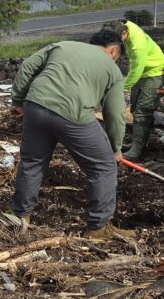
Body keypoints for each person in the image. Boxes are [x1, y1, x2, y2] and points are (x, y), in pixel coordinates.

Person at [7, 30, 134, 240]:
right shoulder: (113, 69)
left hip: (36, 105)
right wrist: (115, 149)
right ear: (114, 51)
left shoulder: (63, 45)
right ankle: (98, 228)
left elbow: (27, 66)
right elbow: (115, 114)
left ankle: (20, 217)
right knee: (103, 167)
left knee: (32, 162)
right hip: (74, 114)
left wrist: (18, 101)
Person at [107, 20, 164, 161]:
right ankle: (137, 142)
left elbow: (136, 70)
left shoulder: (137, 45)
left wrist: (123, 88)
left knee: (143, 111)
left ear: (125, 33)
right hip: (142, 72)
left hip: (154, 72)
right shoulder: (124, 25)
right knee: (135, 108)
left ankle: (138, 150)